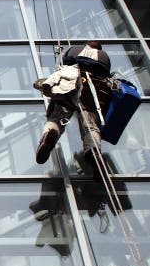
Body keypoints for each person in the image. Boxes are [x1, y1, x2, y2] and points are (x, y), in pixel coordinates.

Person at [34, 41, 113, 175]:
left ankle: (50, 133)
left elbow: (63, 66)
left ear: (86, 45)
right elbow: (106, 73)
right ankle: (93, 152)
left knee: (57, 118)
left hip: (69, 84)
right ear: (98, 48)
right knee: (90, 126)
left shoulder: (75, 49)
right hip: (92, 88)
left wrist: (51, 106)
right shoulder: (104, 56)